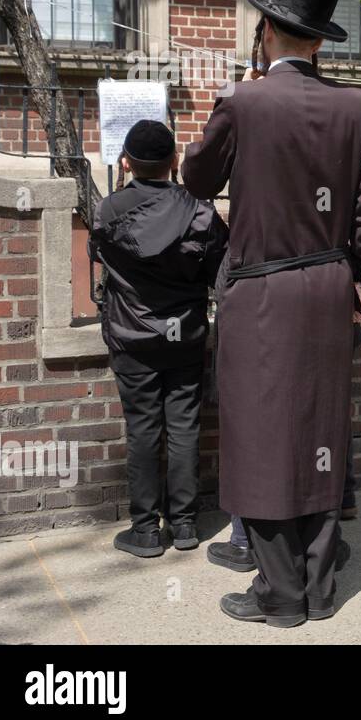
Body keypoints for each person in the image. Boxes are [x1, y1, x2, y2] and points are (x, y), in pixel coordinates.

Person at [183, 0, 361, 627]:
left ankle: (280, 594)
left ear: (267, 30)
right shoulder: (354, 106)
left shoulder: (244, 103)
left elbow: (196, 177)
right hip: (329, 286)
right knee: (322, 431)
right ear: (319, 42)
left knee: (262, 436)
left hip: (262, 287)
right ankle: (320, 586)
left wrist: (226, 104)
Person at [89, 120, 228, 558]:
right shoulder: (201, 212)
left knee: (143, 430)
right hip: (183, 334)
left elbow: (100, 259)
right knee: (185, 426)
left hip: (132, 337)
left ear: (126, 161)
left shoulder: (108, 210)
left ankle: (146, 530)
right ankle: (185, 525)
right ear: (173, 162)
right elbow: (219, 272)